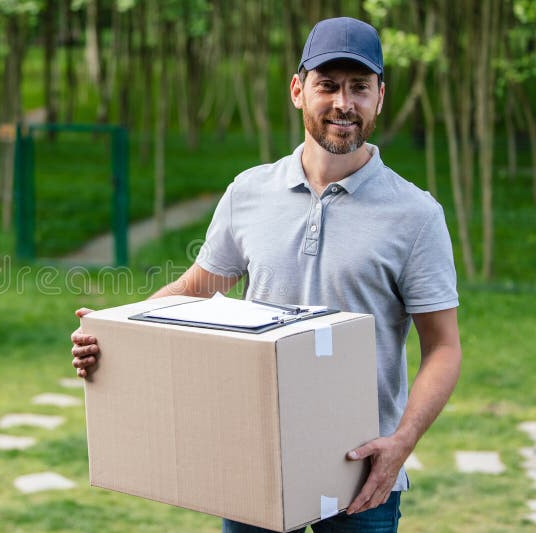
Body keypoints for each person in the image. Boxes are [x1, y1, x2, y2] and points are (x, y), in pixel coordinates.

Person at [70, 16, 461, 533]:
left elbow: (443, 347)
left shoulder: (415, 215)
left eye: (360, 88)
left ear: (380, 98)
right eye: (328, 85)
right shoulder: (249, 192)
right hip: (255, 462)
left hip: (362, 478)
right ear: (298, 90)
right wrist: (116, 333)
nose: (344, 103)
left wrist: (400, 445)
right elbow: (193, 291)